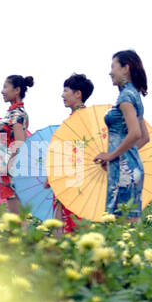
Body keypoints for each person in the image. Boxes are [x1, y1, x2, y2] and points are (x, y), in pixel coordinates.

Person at [93, 50, 148, 221]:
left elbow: (136, 133)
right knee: (128, 225)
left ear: (126, 68)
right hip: (129, 166)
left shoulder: (125, 97)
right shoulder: (134, 95)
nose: (110, 72)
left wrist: (112, 156)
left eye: (113, 67)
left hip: (124, 171)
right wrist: (117, 157)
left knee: (121, 225)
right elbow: (144, 138)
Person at [53, 73, 93, 234]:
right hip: (70, 177)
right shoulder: (80, 117)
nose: (62, 95)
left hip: (74, 179)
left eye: (66, 90)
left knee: (69, 224)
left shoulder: (82, 118)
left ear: (78, 94)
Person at [0, 74, 32, 216]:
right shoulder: (12, 113)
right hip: (6, 167)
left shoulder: (18, 114)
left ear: (16, 90)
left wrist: (6, 164)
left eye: (5, 87)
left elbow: (20, 144)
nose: (2, 91)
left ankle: (24, 238)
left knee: (17, 217)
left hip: (12, 169)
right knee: (13, 214)